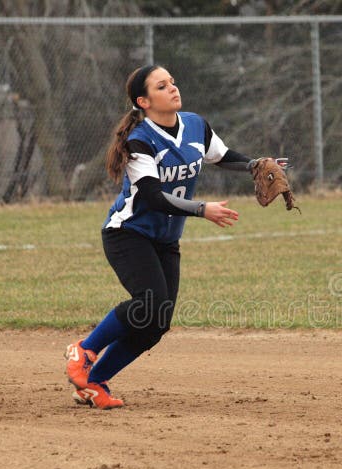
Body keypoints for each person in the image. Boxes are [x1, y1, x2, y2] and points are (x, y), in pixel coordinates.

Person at [65, 64, 280, 409]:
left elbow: (222, 156)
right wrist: (201, 209)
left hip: (165, 239)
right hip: (128, 233)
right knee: (148, 301)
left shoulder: (195, 125)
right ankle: (85, 349)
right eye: (162, 86)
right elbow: (151, 196)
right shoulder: (139, 142)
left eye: (173, 83)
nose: (173, 89)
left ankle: (92, 382)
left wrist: (254, 164)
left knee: (156, 325)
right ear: (144, 101)